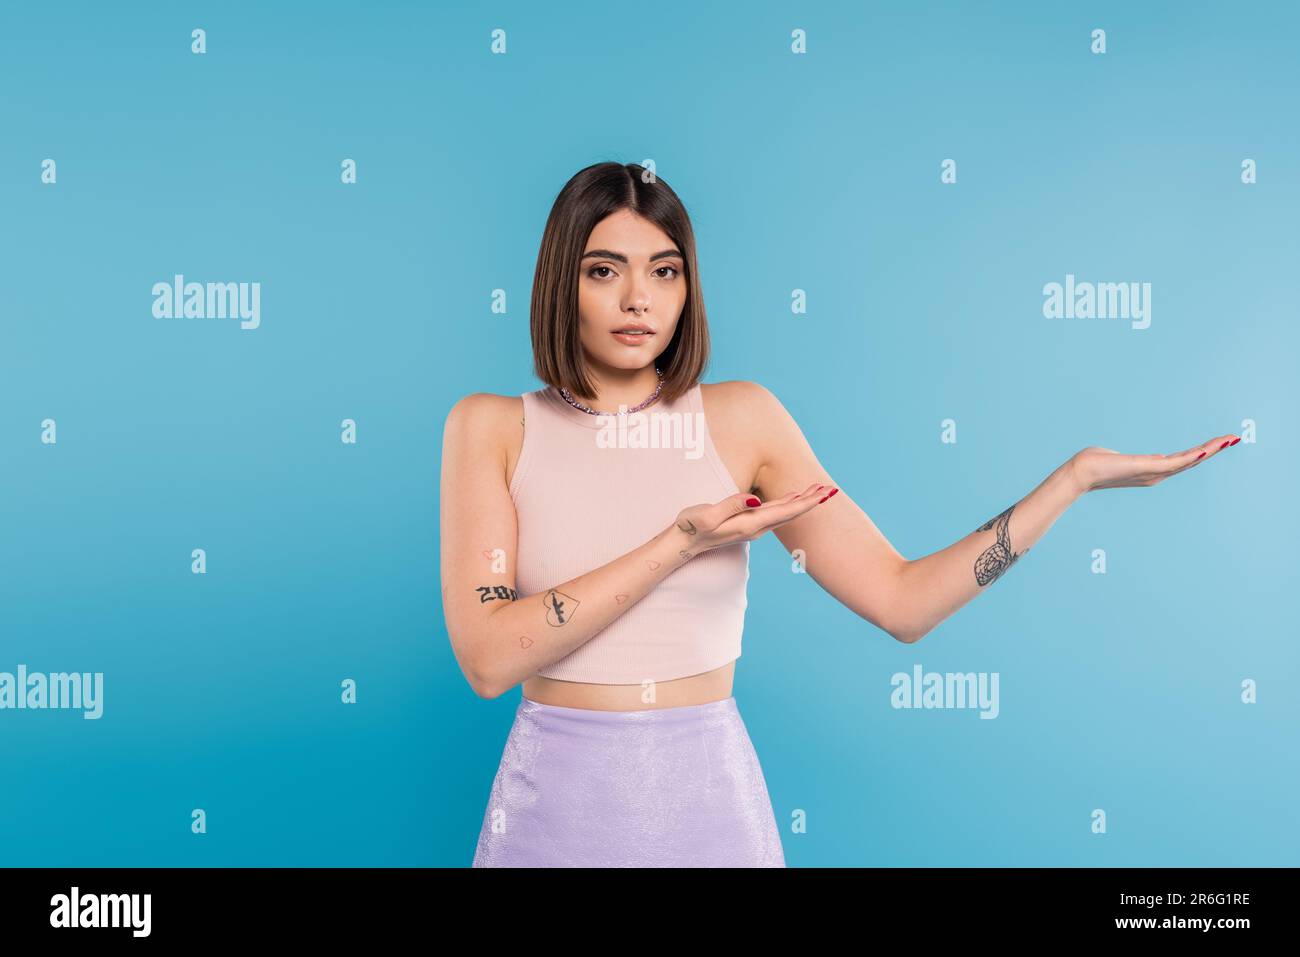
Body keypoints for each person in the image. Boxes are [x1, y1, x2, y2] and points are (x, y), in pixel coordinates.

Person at [439, 161, 1238, 867]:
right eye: (605, 270)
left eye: (666, 270)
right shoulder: (493, 427)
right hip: (547, 824)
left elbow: (904, 601)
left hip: (710, 821)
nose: (640, 298)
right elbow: (488, 658)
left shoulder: (743, 419)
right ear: (560, 281)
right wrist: (678, 542)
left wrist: (1072, 481)